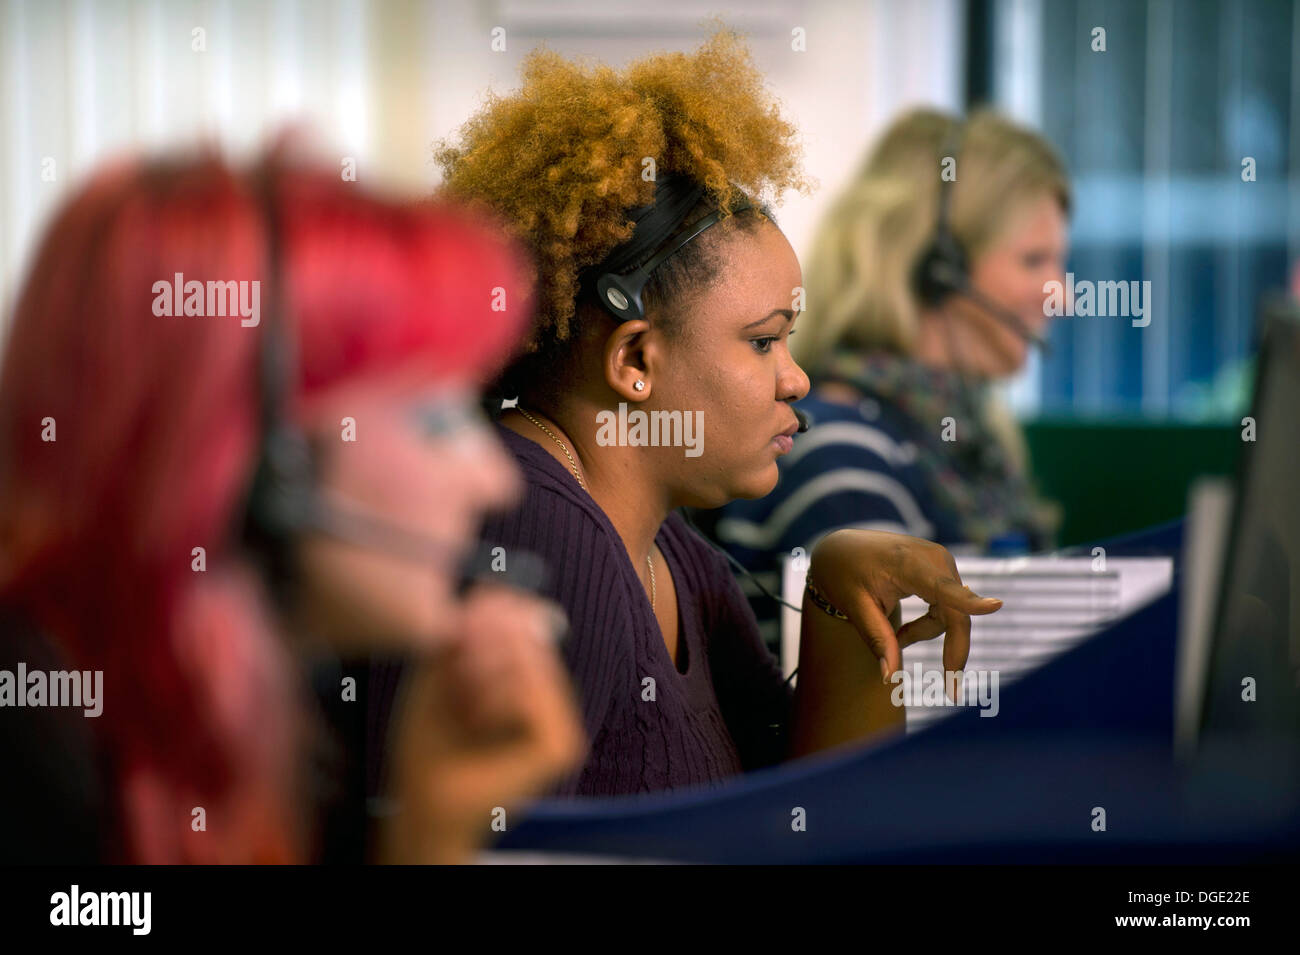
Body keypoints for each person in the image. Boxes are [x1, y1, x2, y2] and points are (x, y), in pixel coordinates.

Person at [408, 24, 1003, 797]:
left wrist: (837, 595)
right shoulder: (545, 533)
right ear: (634, 362)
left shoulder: (671, 548)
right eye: (763, 343)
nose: (796, 381)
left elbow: (806, 817)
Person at [0, 148, 585, 863]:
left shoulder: (273, 700)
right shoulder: (35, 736)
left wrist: (430, 834)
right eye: (435, 419)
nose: (498, 481)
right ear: (264, 466)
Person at [714, 107, 1071, 647]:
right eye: (1033, 260)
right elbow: (890, 697)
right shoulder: (843, 448)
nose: (1060, 295)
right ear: (935, 269)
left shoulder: (962, 441)